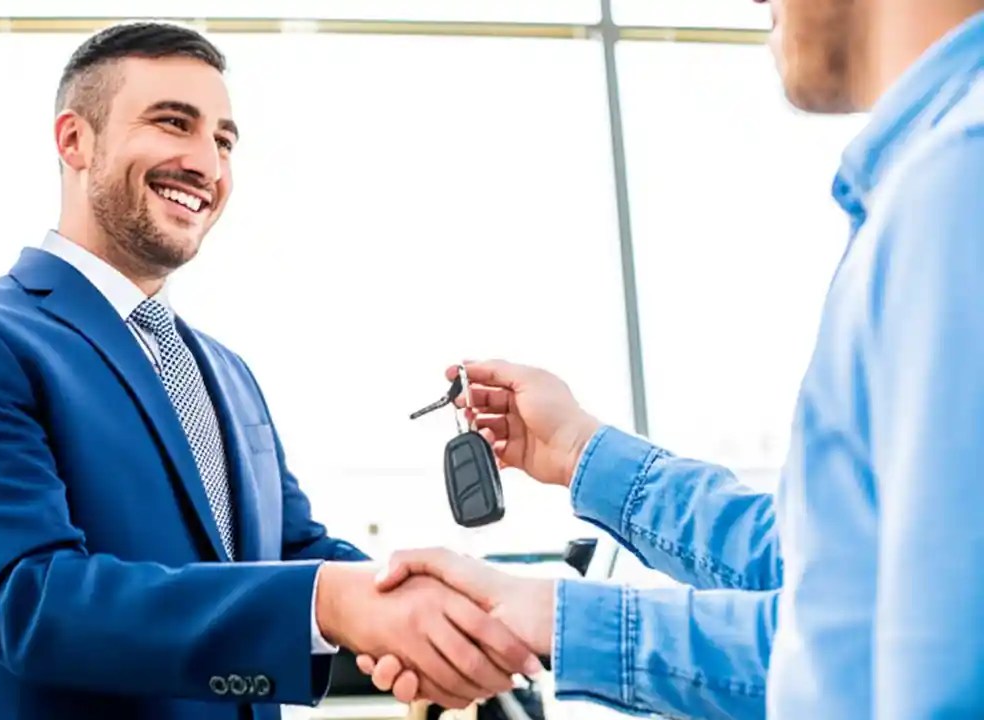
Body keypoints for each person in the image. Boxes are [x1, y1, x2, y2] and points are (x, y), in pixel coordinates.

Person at [0, 22, 538, 720]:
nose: (207, 165)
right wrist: (329, 602)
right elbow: (31, 601)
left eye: (223, 141)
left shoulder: (226, 371)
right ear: (75, 140)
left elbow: (290, 550)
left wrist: (432, 605)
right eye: (173, 123)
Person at [357, 0, 984, 717]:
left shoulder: (957, 189)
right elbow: (832, 588)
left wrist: (557, 618)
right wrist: (578, 454)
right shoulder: (928, 186)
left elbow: (880, 669)